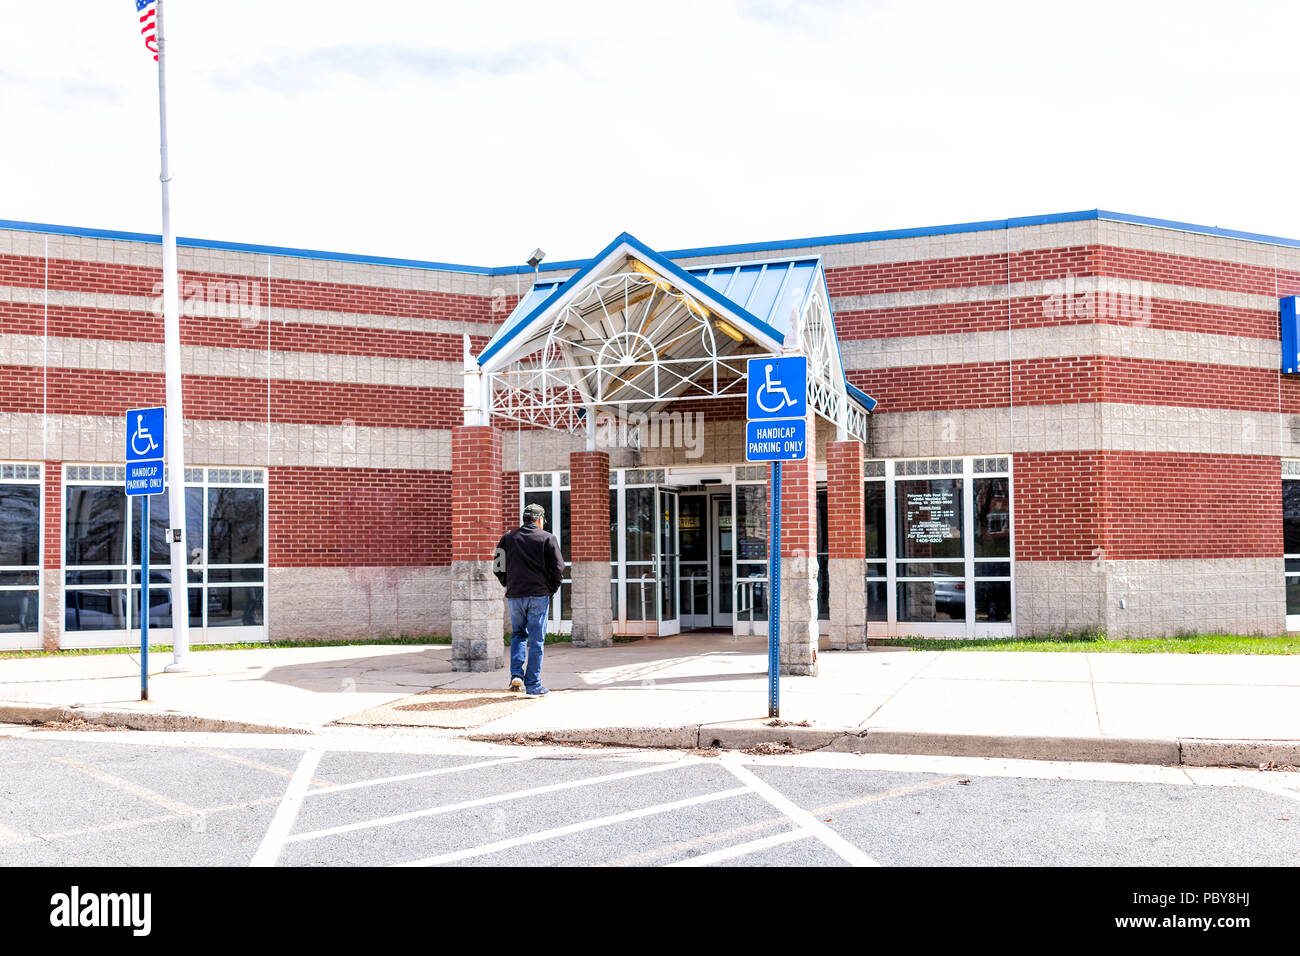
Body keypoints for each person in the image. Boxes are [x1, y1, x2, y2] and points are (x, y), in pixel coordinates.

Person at [494, 502, 563, 697]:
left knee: (518, 634)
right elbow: (558, 568)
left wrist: (508, 582)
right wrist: (552, 588)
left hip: (515, 595)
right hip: (539, 595)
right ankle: (533, 684)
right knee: (536, 639)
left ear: (524, 519)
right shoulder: (547, 538)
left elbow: (497, 566)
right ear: (539, 520)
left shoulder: (508, 538)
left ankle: (516, 675)